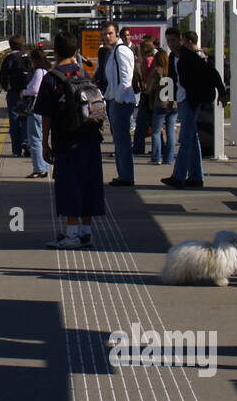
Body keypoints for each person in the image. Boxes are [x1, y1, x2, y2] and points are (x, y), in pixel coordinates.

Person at [34, 31, 106, 249]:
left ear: (55, 51)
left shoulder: (51, 79)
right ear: (75, 51)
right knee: (89, 185)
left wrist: (45, 144)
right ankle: (86, 234)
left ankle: (72, 235)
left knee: (70, 186)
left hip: (67, 142)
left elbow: (45, 115)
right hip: (91, 139)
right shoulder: (84, 75)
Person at [163, 29, 225, 189]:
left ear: (180, 40)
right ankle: (196, 176)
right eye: (168, 41)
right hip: (183, 99)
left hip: (192, 99)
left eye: (174, 41)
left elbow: (212, 73)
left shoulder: (189, 56)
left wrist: (222, 93)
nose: (171, 44)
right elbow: (171, 77)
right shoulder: (172, 57)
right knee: (191, 138)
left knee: (185, 138)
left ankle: (178, 176)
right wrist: (170, 99)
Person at [100, 21, 136, 186]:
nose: (107, 37)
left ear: (117, 34)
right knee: (120, 141)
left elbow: (125, 77)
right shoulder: (113, 51)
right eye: (104, 34)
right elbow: (112, 81)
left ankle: (126, 176)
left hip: (121, 102)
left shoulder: (121, 51)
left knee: (122, 141)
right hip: (115, 100)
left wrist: (119, 98)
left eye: (110, 33)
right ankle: (123, 174)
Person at [0, 34, 33, 157]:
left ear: (10, 45)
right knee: (26, 119)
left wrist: (7, 88)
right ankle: (26, 143)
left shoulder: (9, 58)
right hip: (26, 94)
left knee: (14, 121)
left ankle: (16, 150)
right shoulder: (27, 57)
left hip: (13, 94)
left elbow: (2, 76)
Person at [21, 46, 52, 179]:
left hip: (35, 109)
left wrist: (24, 92)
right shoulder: (46, 71)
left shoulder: (39, 71)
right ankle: (43, 167)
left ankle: (39, 168)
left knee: (35, 140)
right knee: (39, 139)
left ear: (34, 60)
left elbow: (35, 89)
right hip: (42, 108)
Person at [146, 39, 177, 165]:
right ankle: (169, 158)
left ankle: (156, 157)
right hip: (173, 104)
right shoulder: (172, 70)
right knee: (170, 133)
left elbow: (148, 89)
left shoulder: (157, 70)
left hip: (160, 104)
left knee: (156, 132)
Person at [131, 37, 157, 158]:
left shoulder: (146, 62)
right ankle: (158, 148)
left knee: (141, 123)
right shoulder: (153, 60)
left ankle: (138, 147)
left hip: (147, 95)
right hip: (153, 96)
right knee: (153, 124)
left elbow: (143, 77)